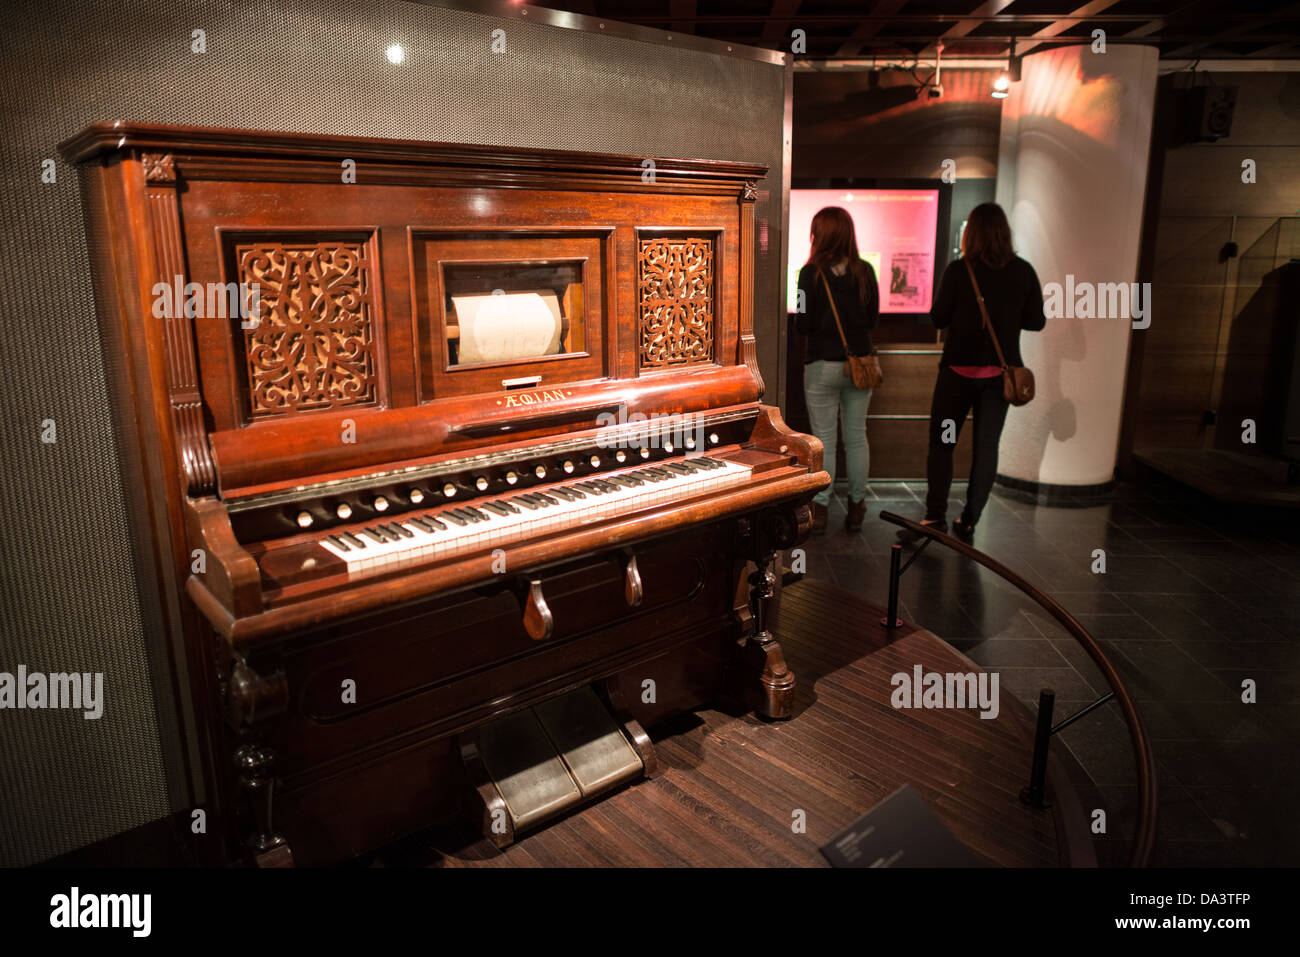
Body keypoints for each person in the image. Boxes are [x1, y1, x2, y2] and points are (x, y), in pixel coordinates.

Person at [920, 202, 1045, 540]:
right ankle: (969, 520)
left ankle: (935, 517)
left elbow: (938, 318)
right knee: (986, 448)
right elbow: (1036, 322)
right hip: (998, 380)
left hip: (956, 380)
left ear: (971, 233)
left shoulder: (960, 271)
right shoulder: (1023, 272)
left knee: (944, 443)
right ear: (1005, 233)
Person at [796, 206, 880, 534]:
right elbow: (873, 320)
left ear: (820, 235)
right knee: (857, 436)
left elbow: (802, 321)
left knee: (825, 439)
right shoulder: (866, 272)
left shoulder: (809, 274)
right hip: (859, 366)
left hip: (821, 366)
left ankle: (822, 506)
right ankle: (857, 506)